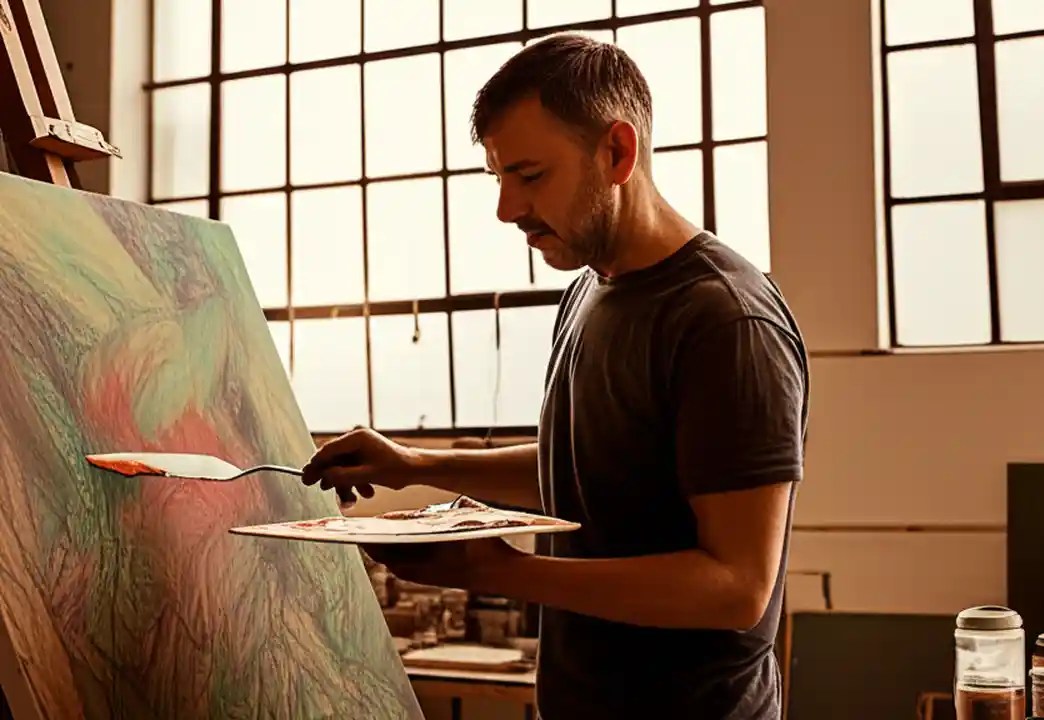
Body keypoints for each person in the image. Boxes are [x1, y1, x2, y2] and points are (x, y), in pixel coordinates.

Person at [301, 32, 809, 720]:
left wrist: (501, 573)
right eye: (500, 179)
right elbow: (582, 472)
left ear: (618, 152)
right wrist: (414, 464)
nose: (507, 210)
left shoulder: (724, 320)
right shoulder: (590, 289)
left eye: (532, 176)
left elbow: (736, 587)